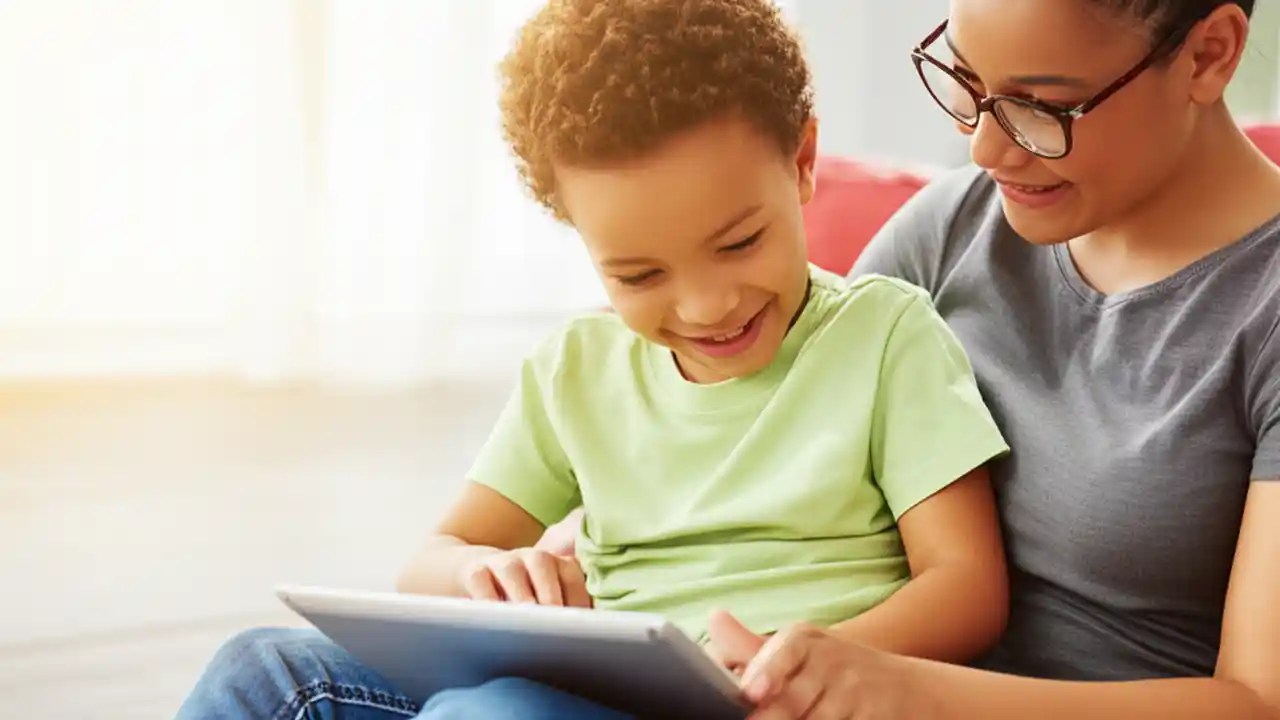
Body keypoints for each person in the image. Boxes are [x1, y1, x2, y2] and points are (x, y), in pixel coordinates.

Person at [176, 1, 1014, 718]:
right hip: (601, 688)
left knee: (487, 711)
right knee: (265, 671)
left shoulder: (885, 334)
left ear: (801, 164)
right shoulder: (576, 369)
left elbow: (968, 585)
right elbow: (431, 560)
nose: (705, 305)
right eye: (639, 274)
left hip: (778, 700)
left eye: (739, 242)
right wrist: (490, 572)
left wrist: (817, 659)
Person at [698, 0, 1280, 717]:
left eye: (1041, 107)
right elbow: (749, 459)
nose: (984, 149)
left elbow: (1259, 701)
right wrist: (569, 559)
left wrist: (903, 689)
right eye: (968, 84)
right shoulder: (951, 230)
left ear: (1208, 54)